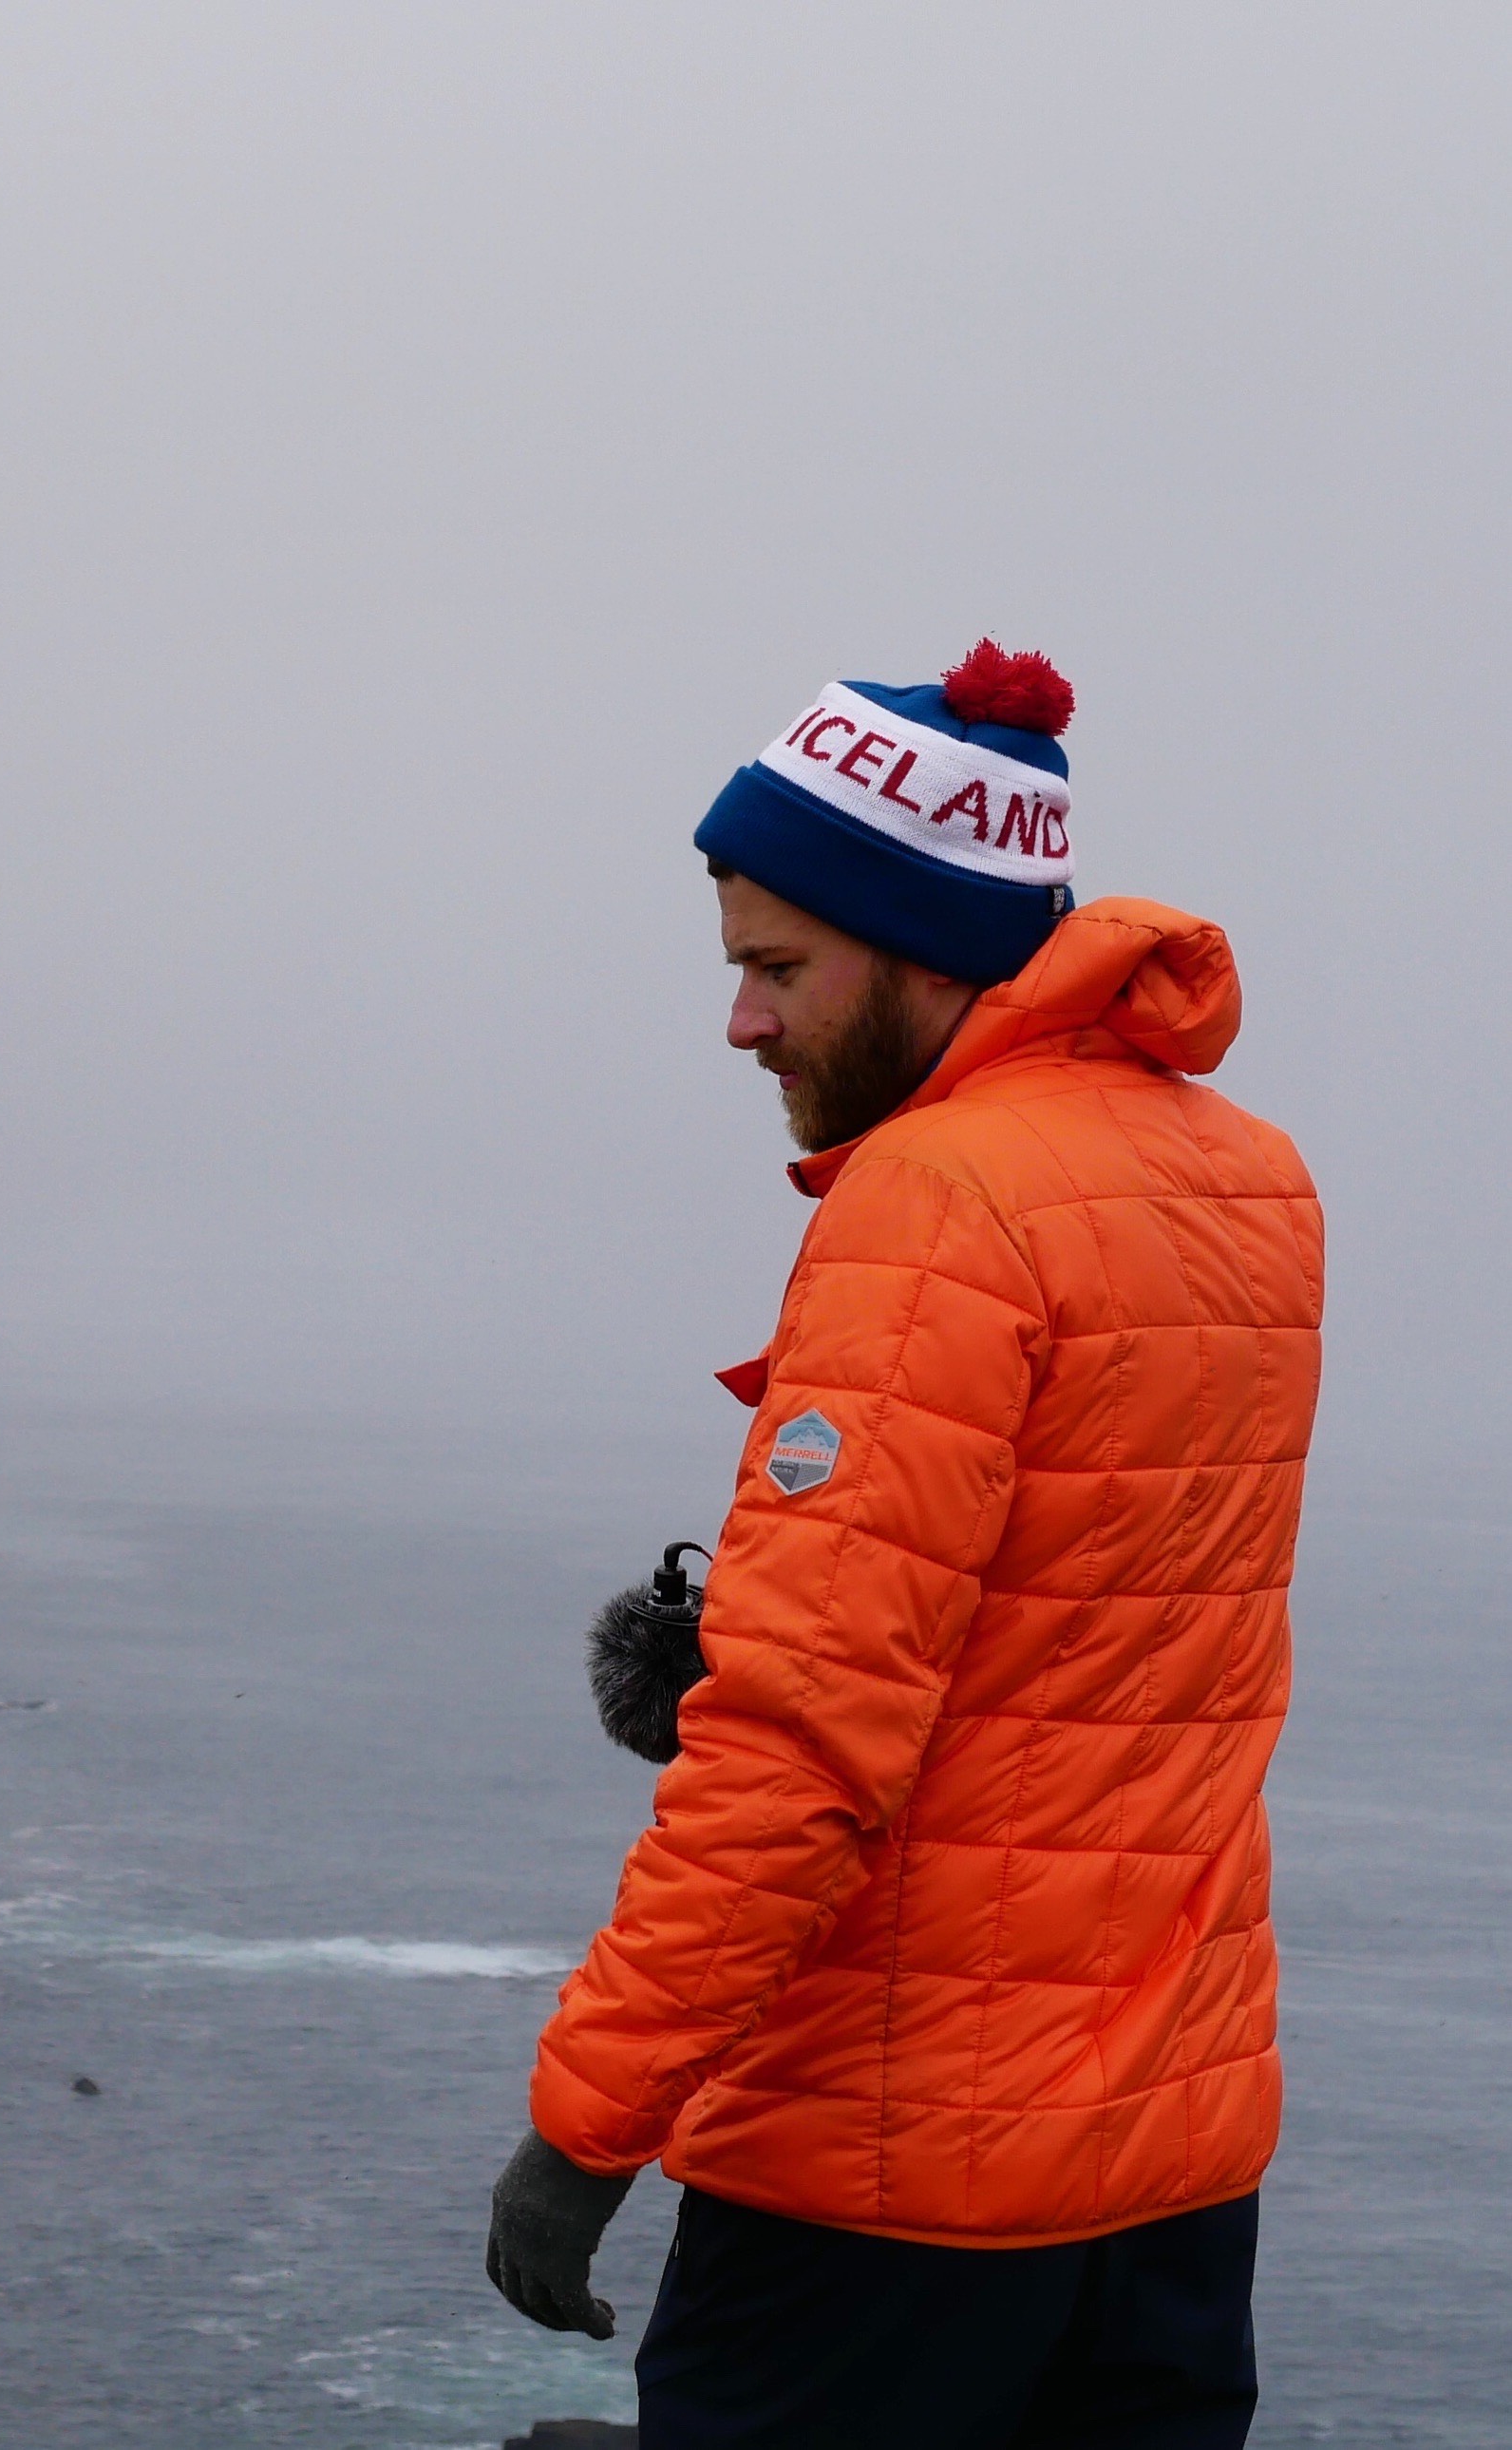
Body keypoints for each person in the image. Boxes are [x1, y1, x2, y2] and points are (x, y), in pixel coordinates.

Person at [484, 643, 1322, 2449]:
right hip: (1165, 2174)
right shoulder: (1246, 1185)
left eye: (776, 968)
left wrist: (583, 2128)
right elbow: (1099, 1653)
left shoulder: (933, 1207)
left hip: (885, 2191)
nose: (741, 1023)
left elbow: (799, 1755)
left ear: (919, 939)